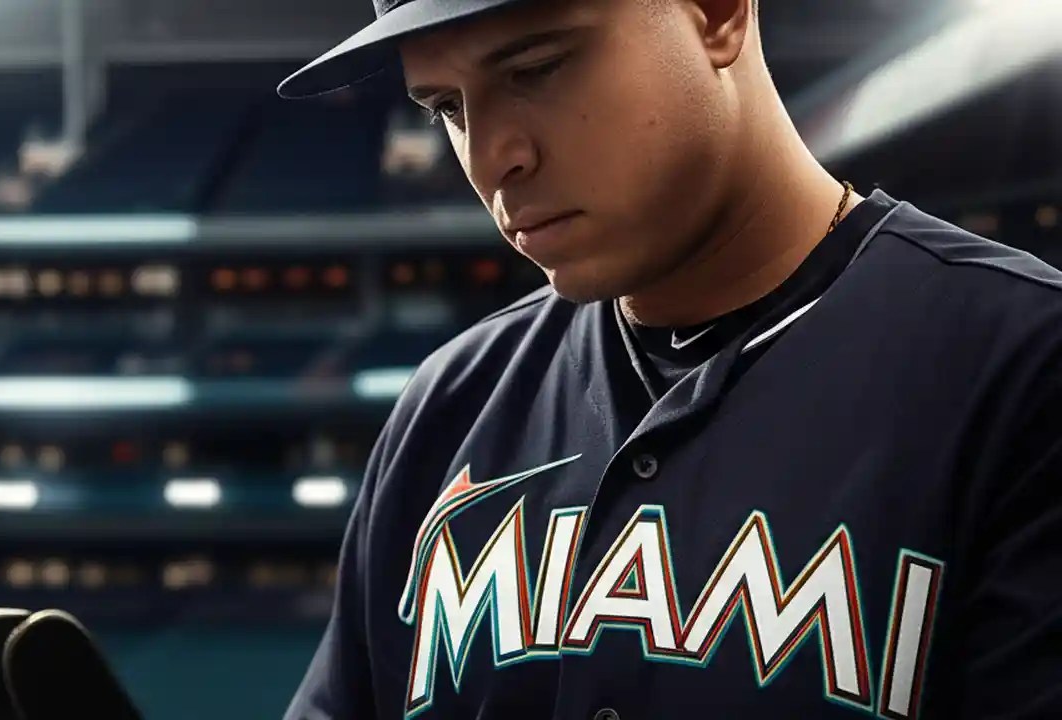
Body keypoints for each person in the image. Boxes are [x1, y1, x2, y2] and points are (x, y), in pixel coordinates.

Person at [276, 0, 1062, 718]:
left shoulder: (1023, 362)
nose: (490, 159)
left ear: (716, 14)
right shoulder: (449, 402)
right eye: (447, 107)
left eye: (537, 69)